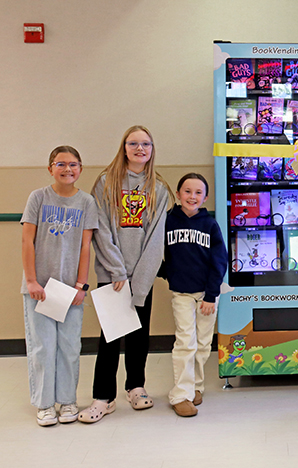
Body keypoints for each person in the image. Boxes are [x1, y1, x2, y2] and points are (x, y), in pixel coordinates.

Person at [79, 125, 172, 423]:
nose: (140, 149)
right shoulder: (106, 183)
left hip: (142, 276)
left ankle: (135, 386)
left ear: (152, 149)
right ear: (124, 147)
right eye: (134, 143)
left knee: (139, 335)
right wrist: (117, 271)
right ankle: (103, 397)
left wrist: (141, 280)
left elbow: (156, 238)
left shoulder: (158, 187)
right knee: (110, 338)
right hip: (113, 275)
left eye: (146, 144)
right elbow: (101, 231)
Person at [21, 146, 98, 426]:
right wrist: (31, 280)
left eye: (74, 164)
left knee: (68, 346)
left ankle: (67, 401)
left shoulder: (87, 202)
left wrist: (81, 285)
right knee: (43, 346)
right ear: (50, 167)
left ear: (80, 168)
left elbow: (85, 245)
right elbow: (27, 240)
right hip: (39, 288)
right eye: (61, 164)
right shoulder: (38, 198)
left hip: (69, 291)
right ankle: (44, 404)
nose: (68, 169)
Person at [161, 173, 227, 417]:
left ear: (205, 197)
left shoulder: (209, 224)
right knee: (185, 340)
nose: (192, 196)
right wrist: (165, 273)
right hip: (182, 293)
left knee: (203, 343)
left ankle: (196, 386)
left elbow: (219, 261)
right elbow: (155, 250)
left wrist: (211, 295)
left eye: (198, 192)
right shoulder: (168, 220)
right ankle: (181, 394)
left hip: (207, 295)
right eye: (187, 191)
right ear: (178, 194)